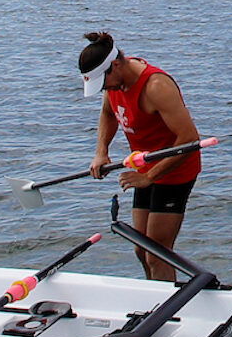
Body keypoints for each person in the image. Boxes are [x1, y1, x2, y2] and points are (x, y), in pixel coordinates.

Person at [77, 31, 206, 281]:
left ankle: (168, 313)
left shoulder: (156, 87)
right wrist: (101, 152)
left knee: (157, 254)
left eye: (103, 83)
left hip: (175, 170)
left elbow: (190, 141)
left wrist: (150, 177)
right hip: (145, 168)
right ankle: (155, 300)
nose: (104, 89)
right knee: (141, 248)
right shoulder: (115, 80)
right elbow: (108, 113)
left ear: (115, 65)